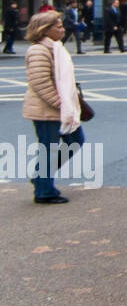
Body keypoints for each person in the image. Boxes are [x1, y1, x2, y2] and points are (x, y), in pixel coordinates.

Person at [22, 10, 86, 204]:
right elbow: (41, 84)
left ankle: (41, 178)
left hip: (59, 109)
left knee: (75, 140)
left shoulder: (55, 47)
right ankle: (44, 192)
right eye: (58, 27)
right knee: (48, 149)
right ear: (45, 30)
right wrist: (63, 105)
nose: (62, 29)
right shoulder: (38, 51)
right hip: (45, 110)